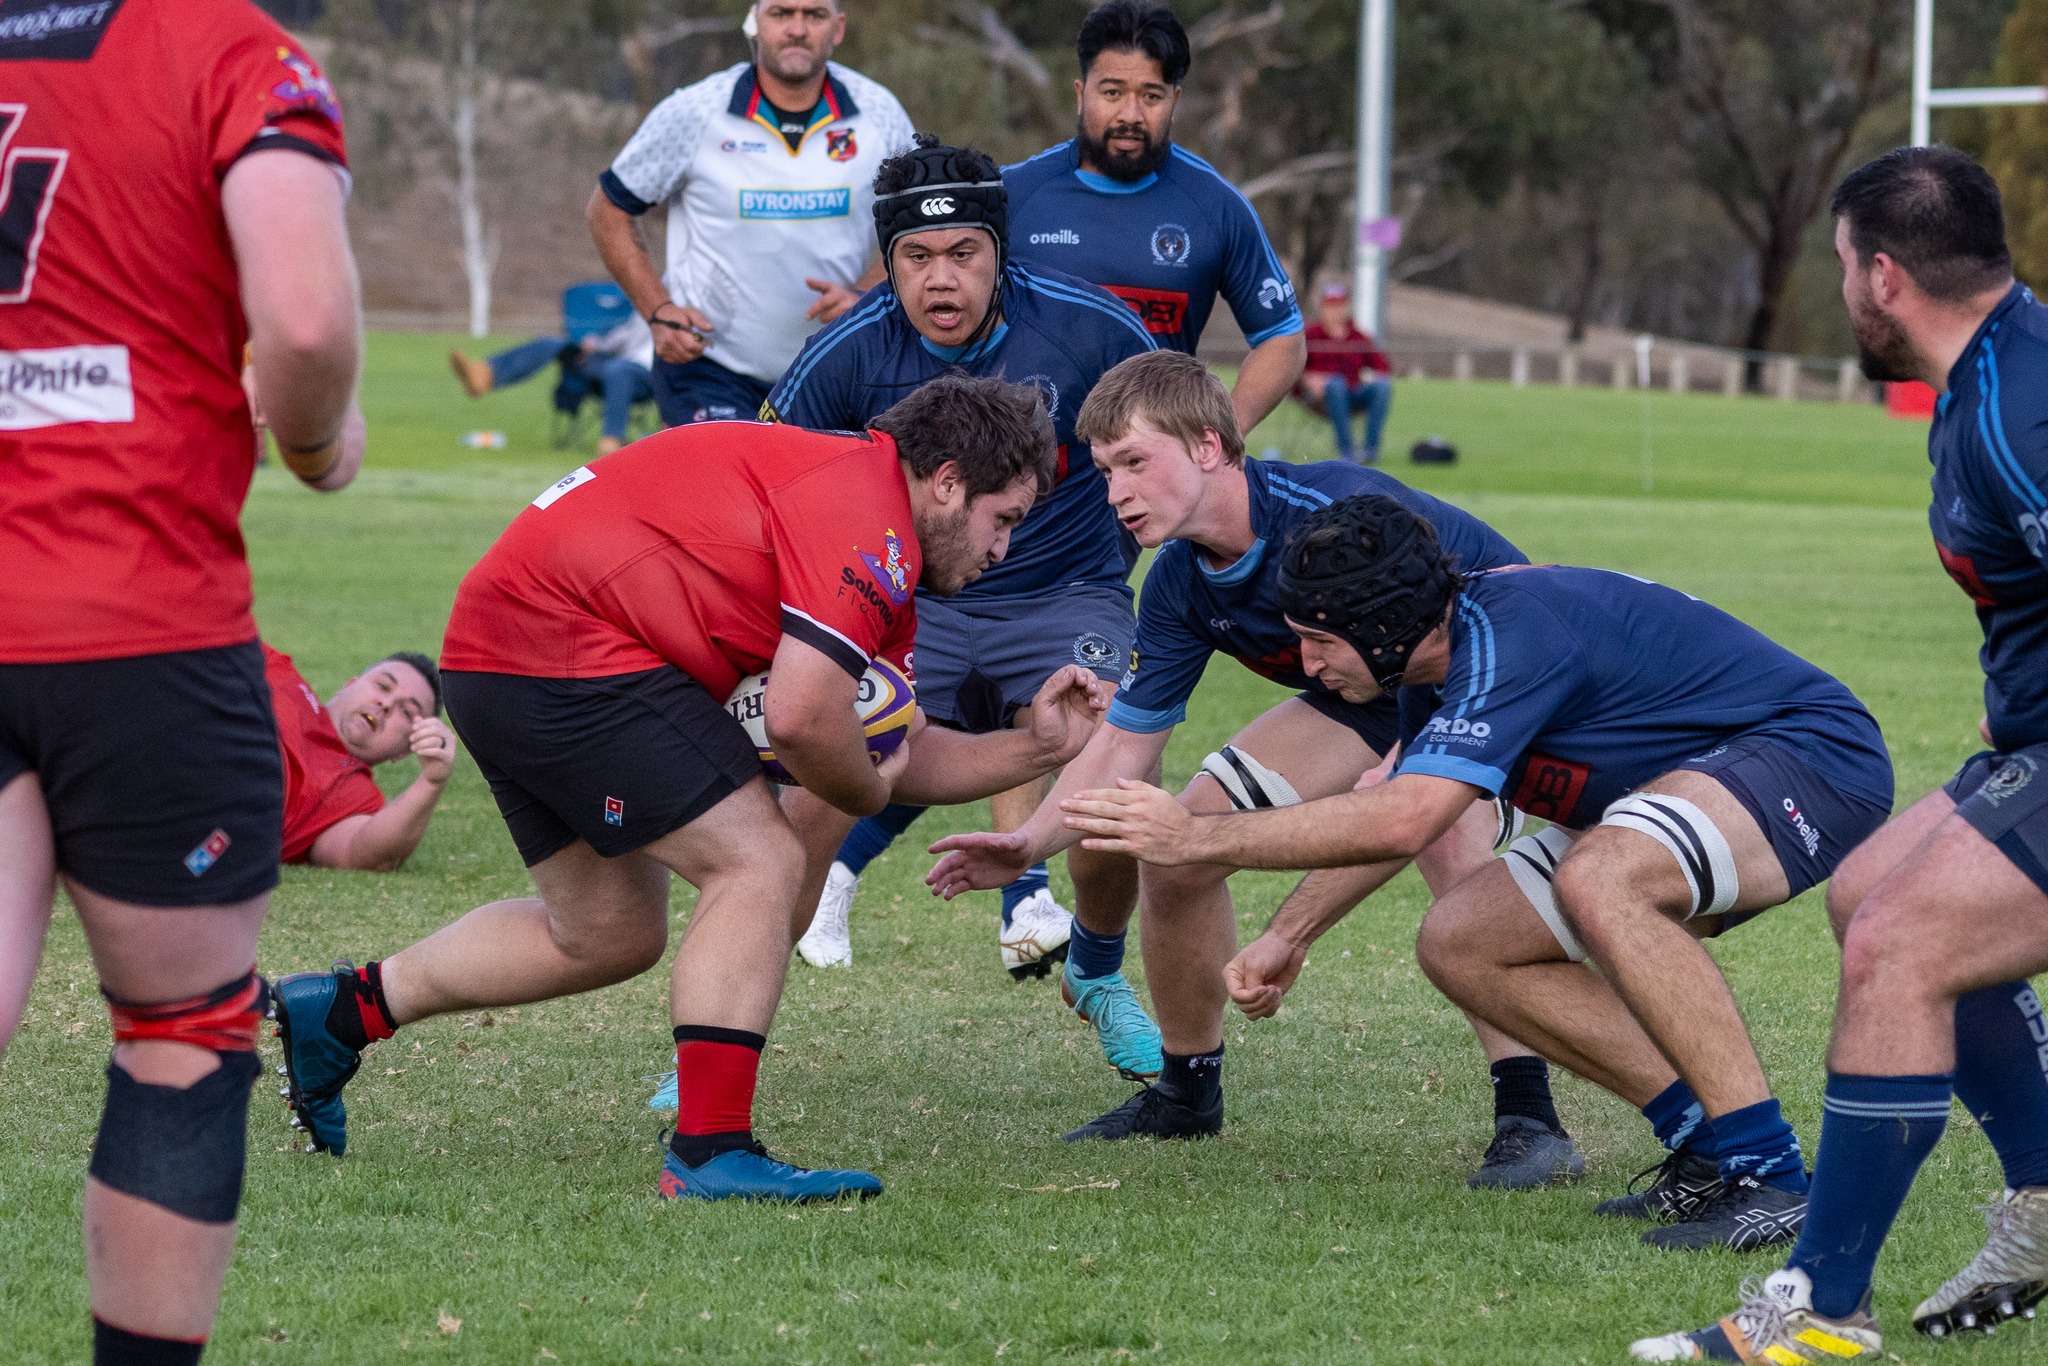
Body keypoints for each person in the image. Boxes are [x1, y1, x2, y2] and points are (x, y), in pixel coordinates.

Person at [270, 377, 1109, 1204]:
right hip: (560, 647)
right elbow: (803, 719)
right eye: (1004, 520)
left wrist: (1035, 746)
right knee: (759, 860)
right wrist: (864, 789)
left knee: (605, 932)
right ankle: (710, 1149)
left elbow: (901, 745)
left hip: (510, 650)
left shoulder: (871, 526)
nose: (1003, 549)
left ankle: (342, 1012)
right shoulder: (868, 513)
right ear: (948, 482)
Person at [1049, 495, 1895, 1252]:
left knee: (1602, 878)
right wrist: (1289, 934)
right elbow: (1408, 809)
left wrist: (1195, 837)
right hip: (1679, 788)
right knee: (1462, 941)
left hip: (1810, 756)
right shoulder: (1434, 667)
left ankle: (1769, 1175)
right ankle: (1708, 1147)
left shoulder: (1510, 637)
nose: (1307, 664)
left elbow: (1404, 817)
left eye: (1320, 641)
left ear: (1385, 627)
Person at [927, 355, 1581, 1190]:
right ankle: (1187, 1091)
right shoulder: (1179, 582)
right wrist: (1026, 844)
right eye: (1105, 471)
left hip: (1493, 688)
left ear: (1208, 446)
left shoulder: (1337, 513)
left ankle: (1530, 1118)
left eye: (1135, 462)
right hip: (1363, 702)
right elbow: (1121, 746)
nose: (1116, 492)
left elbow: (1507, 608)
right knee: (1180, 844)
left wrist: (1416, 764)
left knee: (1440, 830)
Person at [1633, 147, 2048, 1364]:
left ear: (1880, 276)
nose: (1839, 291)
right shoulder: (1989, 375)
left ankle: (1819, 1306)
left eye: (1837, 267)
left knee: (1896, 940)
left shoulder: (2017, 414)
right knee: (1865, 892)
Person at [0, 4, 363, 1362]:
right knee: (179, 1029)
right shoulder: (227, 51)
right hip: (131, 618)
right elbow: (305, 324)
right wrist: (318, 442)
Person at [765, 138, 1156, 1001]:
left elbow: (1168, 454)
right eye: (916, 258)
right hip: (912, 603)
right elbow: (775, 494)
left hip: (1065, 595)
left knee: (1113, 763)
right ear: (889, 262)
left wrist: (1118, 561)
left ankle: (1093, 968)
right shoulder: (844, 355)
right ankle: (725, 1034)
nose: (941, 280)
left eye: (964, 254)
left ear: (999, 250)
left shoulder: (1092, 330)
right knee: (820, 782)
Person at [586, 0, 915, 426]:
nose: (797, 28)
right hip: (710, 365)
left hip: (833, 366)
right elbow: (608, 209)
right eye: (781, 13)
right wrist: (657, 311)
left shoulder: (879, 112)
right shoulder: (695, 111)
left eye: (814, 15)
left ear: (838, 28)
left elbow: (921, 224)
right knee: (724, 473)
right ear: (754, 21)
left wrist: (866, 296)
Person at [1005, 0, 1307, 434]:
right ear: (1080, 94)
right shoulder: (1013, 195)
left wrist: (1220, 437)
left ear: (1174, 100)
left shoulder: (1215, 205)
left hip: (1155, 464)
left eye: (1151, 96)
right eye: (1112, 93)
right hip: (1035, 465)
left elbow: (1283, 339)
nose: (1130, 115)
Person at [264, 646, 455, 872]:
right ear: (348, 686)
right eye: (383, 686)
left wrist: (432, 781)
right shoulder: (278, 671)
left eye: (406, 712)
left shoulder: (355, 800)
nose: (386, 704)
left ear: (404, 751)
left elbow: (364, 855)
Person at [449, 311, 654, 456]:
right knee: (554, 345)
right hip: (613, 363)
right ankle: (485, 374)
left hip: (648, 375)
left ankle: (612, 440)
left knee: (618, 370)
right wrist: (596, 345)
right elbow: (627, 334)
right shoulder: (653, 298)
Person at [1299, 281, 1393, 464]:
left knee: (1382, 387)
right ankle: (1346, 451)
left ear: (1346, 307)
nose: (1335, 311)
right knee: (1335, 384)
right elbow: (1293, 367)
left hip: (1353, 393)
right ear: (1322, 308)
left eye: (1339, 306)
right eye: (1330, 306)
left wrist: (1372, 376)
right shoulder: (1310, 336)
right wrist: (1307, 379)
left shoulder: (1357, 336)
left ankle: (1369, 450)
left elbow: (1382, 366)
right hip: (1320, 398)